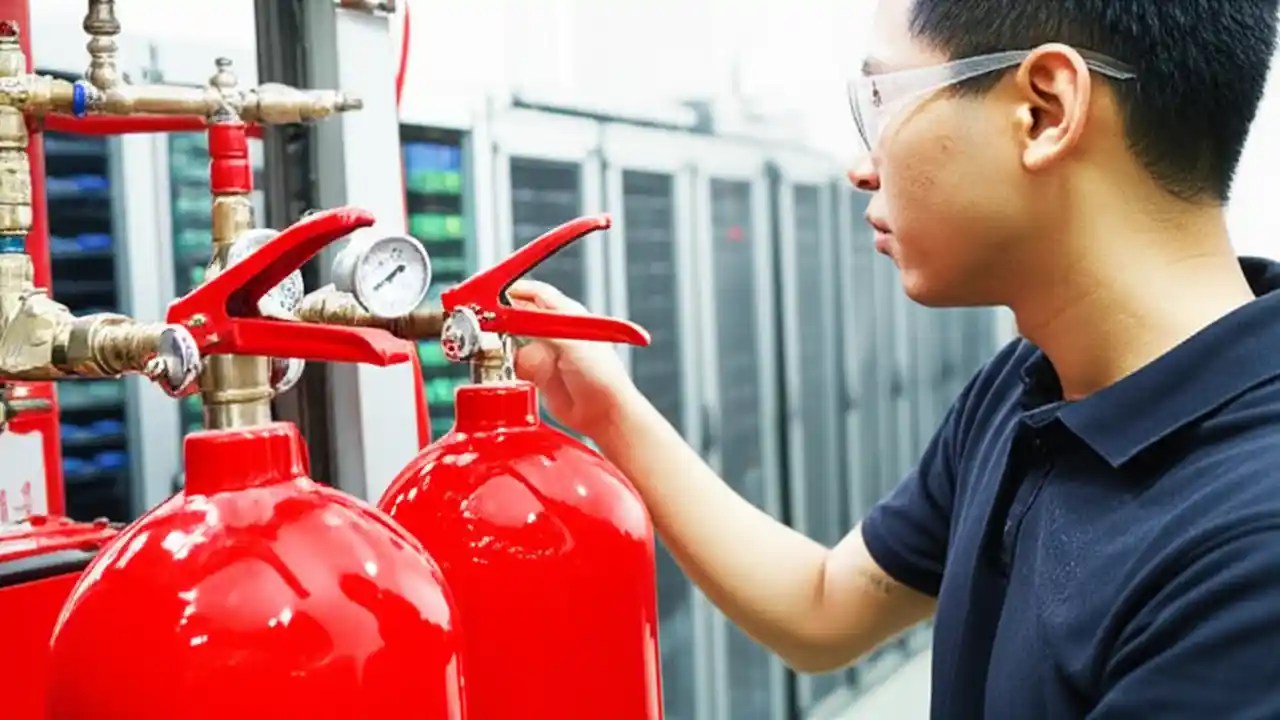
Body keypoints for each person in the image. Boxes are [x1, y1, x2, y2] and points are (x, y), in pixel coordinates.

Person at [509, 0, 1280, 716]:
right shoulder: (1022, 391)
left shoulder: (1251, 556)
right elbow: (822, 606)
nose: (861, 166)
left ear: (1044, 110)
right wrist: (609, 409)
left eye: (882, 102)